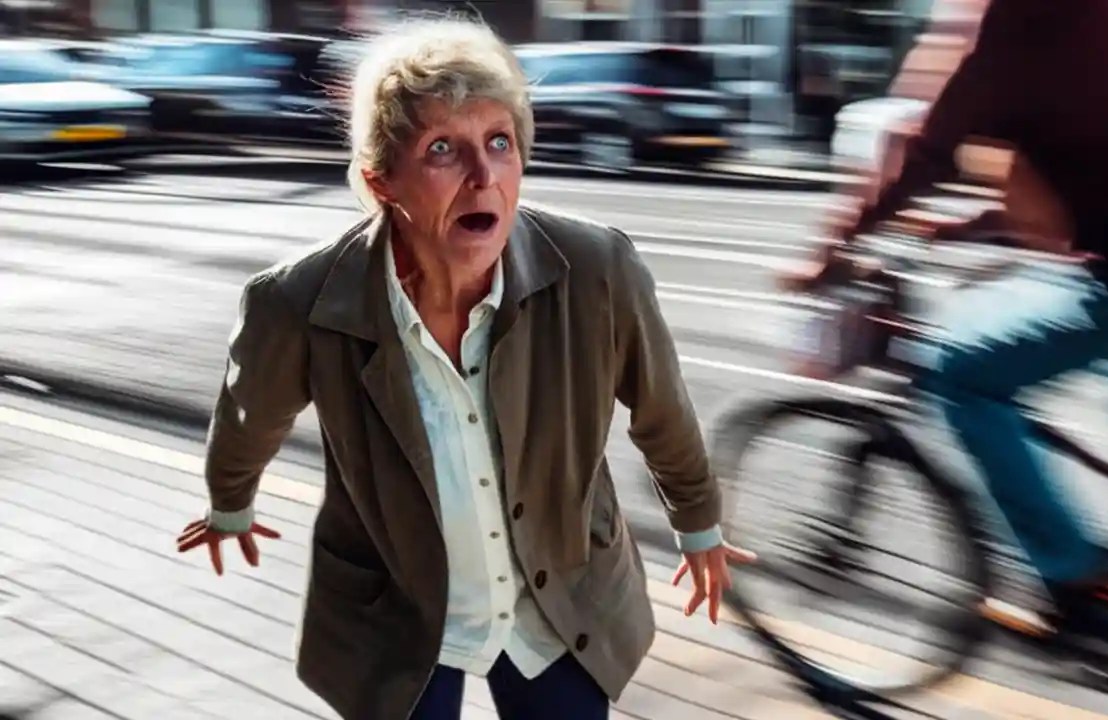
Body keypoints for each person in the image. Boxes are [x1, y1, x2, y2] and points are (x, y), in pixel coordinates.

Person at [173, 17, 754, 720]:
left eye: (500, 143)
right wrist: (229, 502)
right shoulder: (298, 302)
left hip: (560, 598)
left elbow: (662, 409)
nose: (484, 176)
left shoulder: (599, 272)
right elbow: (249, 413)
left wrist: (698, 523)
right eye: (443, 148)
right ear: (381, 181)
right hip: (398, 607)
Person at [793, 0, 1108, 623]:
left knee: (960, 373)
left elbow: (929, 152)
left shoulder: (1027, 17)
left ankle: (1077, 580)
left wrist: (833, 254)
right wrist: (972, 227)